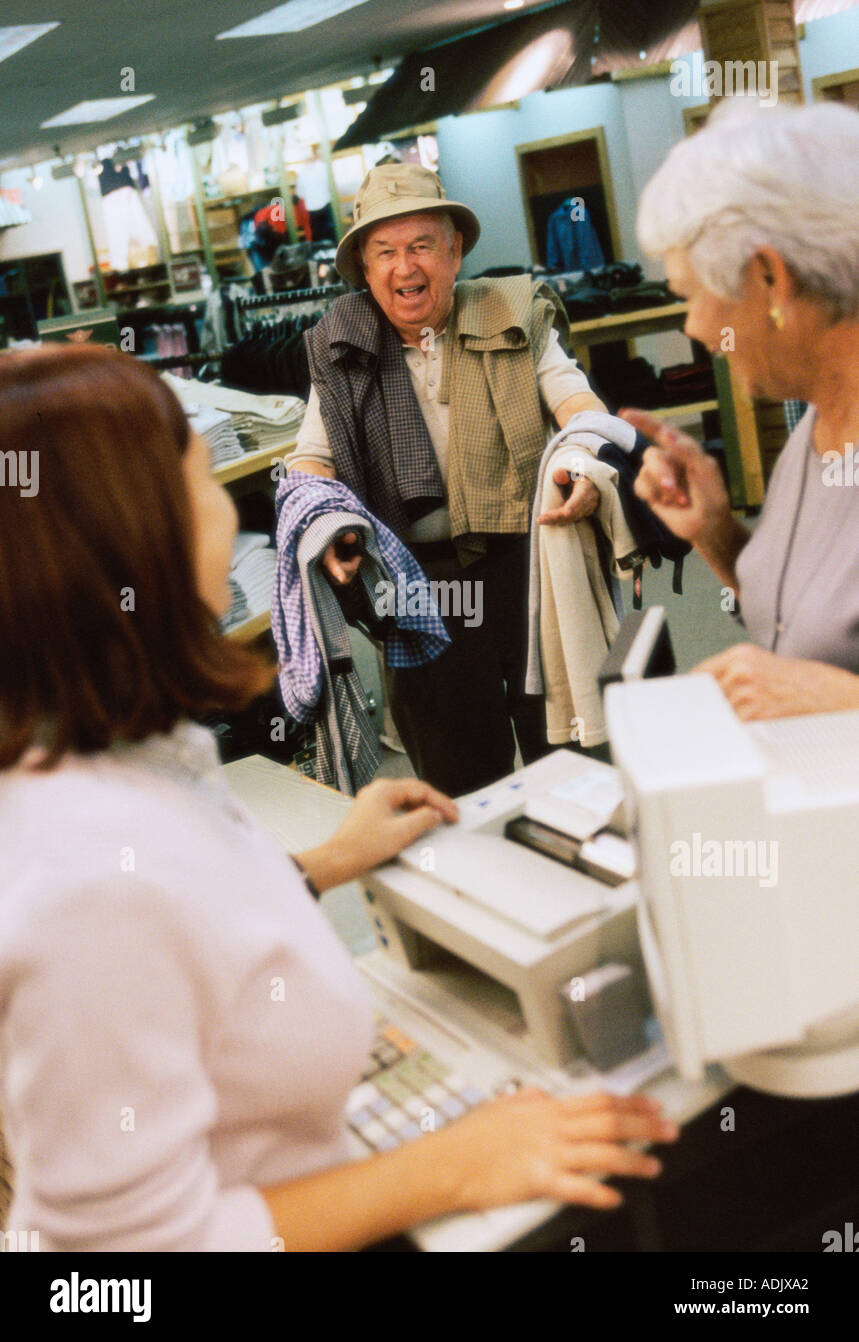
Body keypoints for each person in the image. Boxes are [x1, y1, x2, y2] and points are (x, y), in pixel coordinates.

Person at [0, 346, 678, 1252]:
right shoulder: (83, 880)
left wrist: (317, 865)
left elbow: (167, 923)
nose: (247, 521)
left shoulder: (115, 755)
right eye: (207, 480)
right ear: (132, 534)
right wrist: (453, 1164)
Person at [288, 162, 621, 795]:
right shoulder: (340, 346)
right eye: (384, 252)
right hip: (418, 587)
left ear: (455, 250)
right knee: (459, 786)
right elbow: (312, 461)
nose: (404, 268)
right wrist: (323, 524)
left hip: (531, 568)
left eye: (420, 246)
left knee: (574, 769)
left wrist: (583, 460)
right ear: (363, 268)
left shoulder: (512, 311)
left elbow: (577, 404)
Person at [625, 99, 859, 721]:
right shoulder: (818, 423)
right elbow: (810, 625)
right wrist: (716, 532)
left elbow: (824, 678)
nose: (694, 327)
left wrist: (843, 701)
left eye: (692, 294)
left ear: (768, 278)